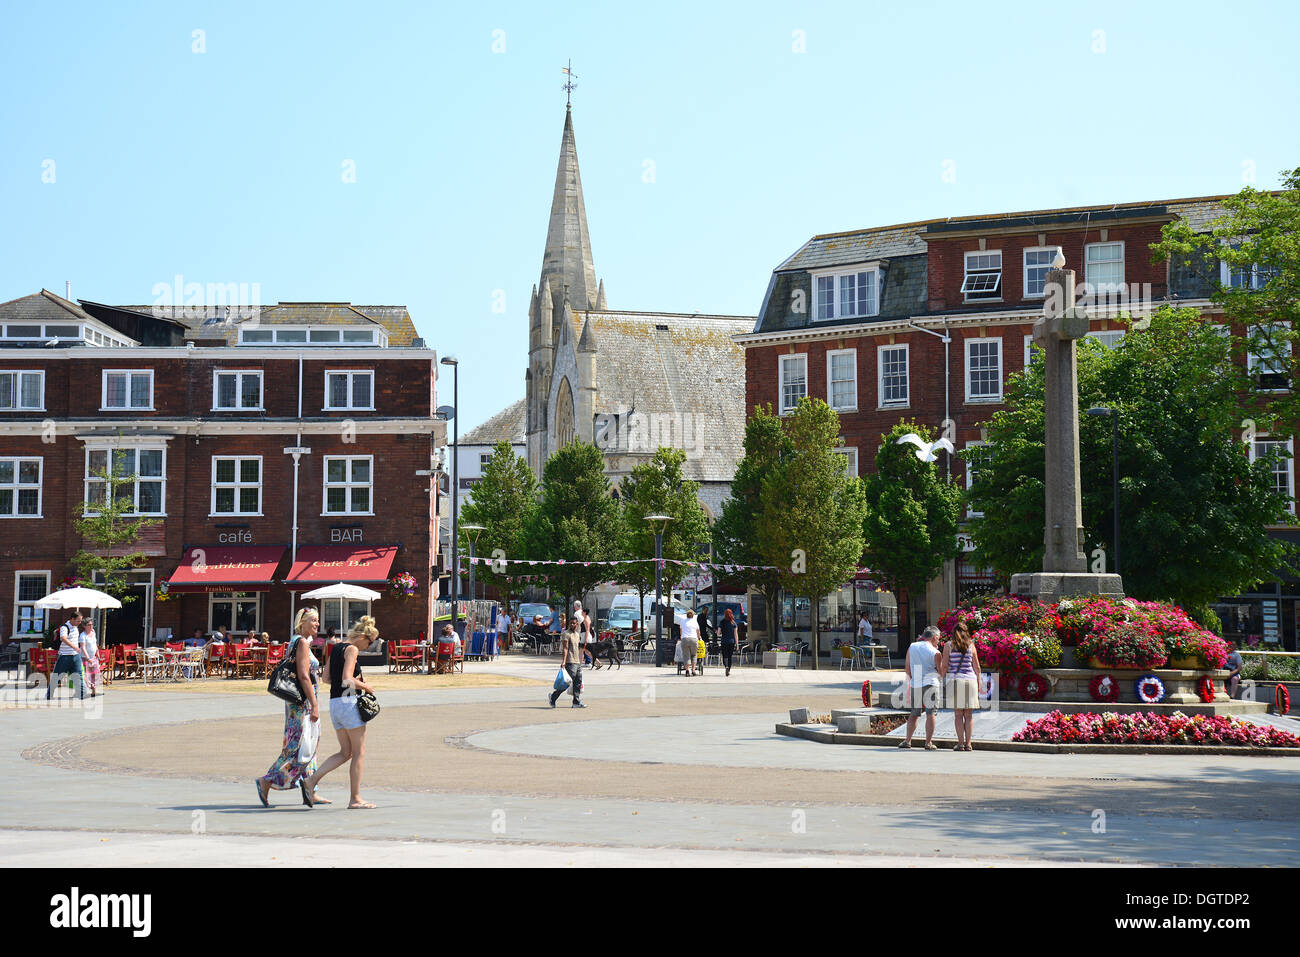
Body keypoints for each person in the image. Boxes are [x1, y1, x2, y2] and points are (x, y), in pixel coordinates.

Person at [304, 616, 379, 809]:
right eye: (369, 642)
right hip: (349, 703)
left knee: (345, 752)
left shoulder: (336, 647)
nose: (368, 647)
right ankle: (355, 798)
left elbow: (327, 678)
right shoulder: (352, 649)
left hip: (335, 703)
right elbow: (347, 679)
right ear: (362, 636)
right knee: (358, 752)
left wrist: (352, 679)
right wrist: (365, 686)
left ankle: (311, 781)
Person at [255, 607, 326, 807]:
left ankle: (311, 789)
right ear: (301, 622)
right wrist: (314, 705)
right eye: (313, 620)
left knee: (308, 744)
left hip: (298, 703)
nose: (317, 624)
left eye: (317, 620)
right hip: (302, 703)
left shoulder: (297, 641)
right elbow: (304, 675)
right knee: (297, 746)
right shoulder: (301, 642)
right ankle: (267, 780)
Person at [937, 621, 982, 751]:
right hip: (970, 681)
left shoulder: (948, 646)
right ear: (966, 632)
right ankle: (968, 743)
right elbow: (977, 666)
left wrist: (941, 679)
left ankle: (960, 743)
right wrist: (979, 682)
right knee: (968, 715)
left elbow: (944, 665)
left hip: (955, 681)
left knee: (958, 715)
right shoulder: (971, 645)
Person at [900, 626, 942, 750]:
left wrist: (912, 681)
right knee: (931, 714)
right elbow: (941, 671)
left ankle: (907, 741)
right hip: (931, 683)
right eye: (938, 638)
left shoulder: (912, 646)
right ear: (934, 637)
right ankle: (928, 743)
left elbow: (907, 668)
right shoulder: (935, 652)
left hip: (915, 684)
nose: (939, 641)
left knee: (914, 714)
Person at [47, 610, 85, 700]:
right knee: (57, 676)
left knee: (78, 675)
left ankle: (81, 694)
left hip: (76, 656)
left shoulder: (75, 627)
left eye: (80, 621)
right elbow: (63, 638)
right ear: (72, 619)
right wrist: (74, 647)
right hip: (64, 656)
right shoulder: (65, 627)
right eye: (78, 621)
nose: (80, 623)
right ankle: (49, 695)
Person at [549, 616, 585, 708]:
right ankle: (553, 697)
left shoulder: (577, 634)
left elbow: (577, 648)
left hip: (577, 662)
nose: (573, 625)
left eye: (574, 623)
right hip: (570, 661)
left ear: (577, 624)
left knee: (578, 682)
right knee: (565, 683)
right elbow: (565, 648)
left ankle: (576, 702)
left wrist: (581, 660)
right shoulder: (566, 634)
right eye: (571, 623)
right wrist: (564, 661)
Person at [79, 618, 102, 697]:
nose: (91, 626)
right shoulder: (82, 635)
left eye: (92, 624)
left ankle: (93, 691)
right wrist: (88, 658)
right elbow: (83, 647)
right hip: (86, 658)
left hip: (93, 657)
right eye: (89, 625)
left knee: (94, 674)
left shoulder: (93, 632)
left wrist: (97, 652)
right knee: (87, 675)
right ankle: (83, 691)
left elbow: (94, 643)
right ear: (84, 626)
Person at [679, 609, 700, 677]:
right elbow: (698, 631)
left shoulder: (682, 621)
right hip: (693, 639)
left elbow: (681, 631)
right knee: (694, 655)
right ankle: (693, 670)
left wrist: (682, 637)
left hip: (685, 639)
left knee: (686, 656)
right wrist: (699, 638)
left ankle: (687, 670)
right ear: (693, 615)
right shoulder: (695, 622)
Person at [720, 608, 738, 676]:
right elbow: (736, 634)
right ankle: (729, 669)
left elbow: (718, 633)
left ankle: (726, 666)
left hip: (724, 641)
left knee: (725, 655)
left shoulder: (722, 622)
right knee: (730, 656)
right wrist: (737, 644)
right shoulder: (733, 623)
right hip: (731, 642)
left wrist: (719, 632)